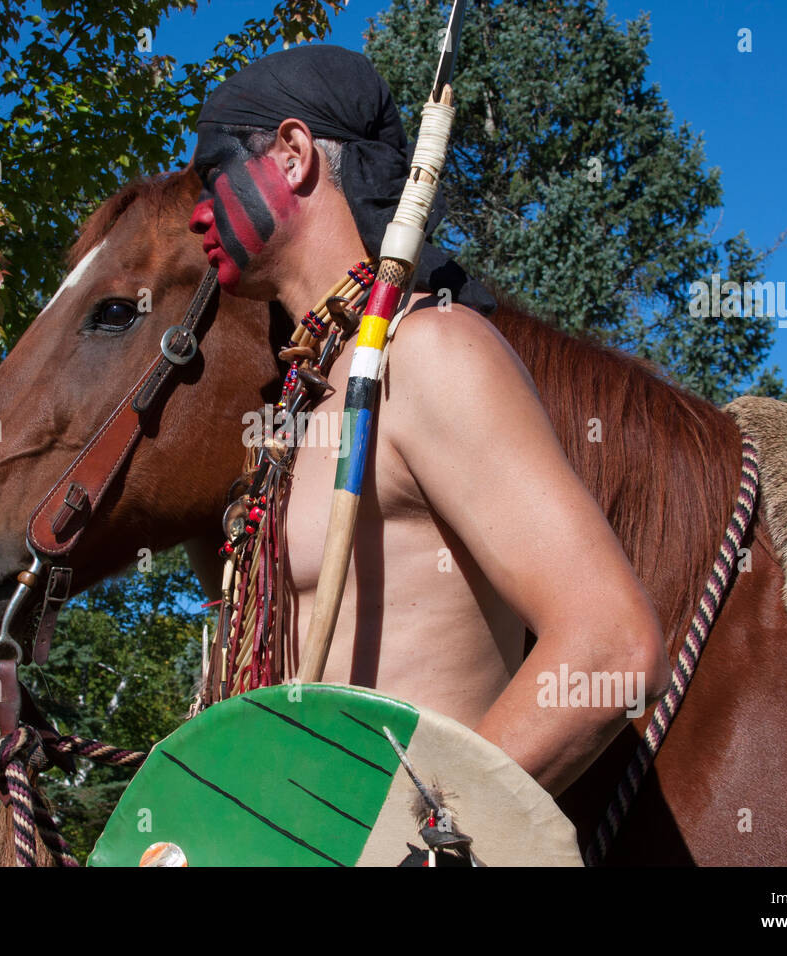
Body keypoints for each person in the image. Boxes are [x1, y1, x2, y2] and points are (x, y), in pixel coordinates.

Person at [187, 44, 670, 797]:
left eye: (211, 174)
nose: (197, 213)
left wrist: (421, 836)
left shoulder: (431, 352)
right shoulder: (303, 398)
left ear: (292, 155)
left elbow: (611, 648)